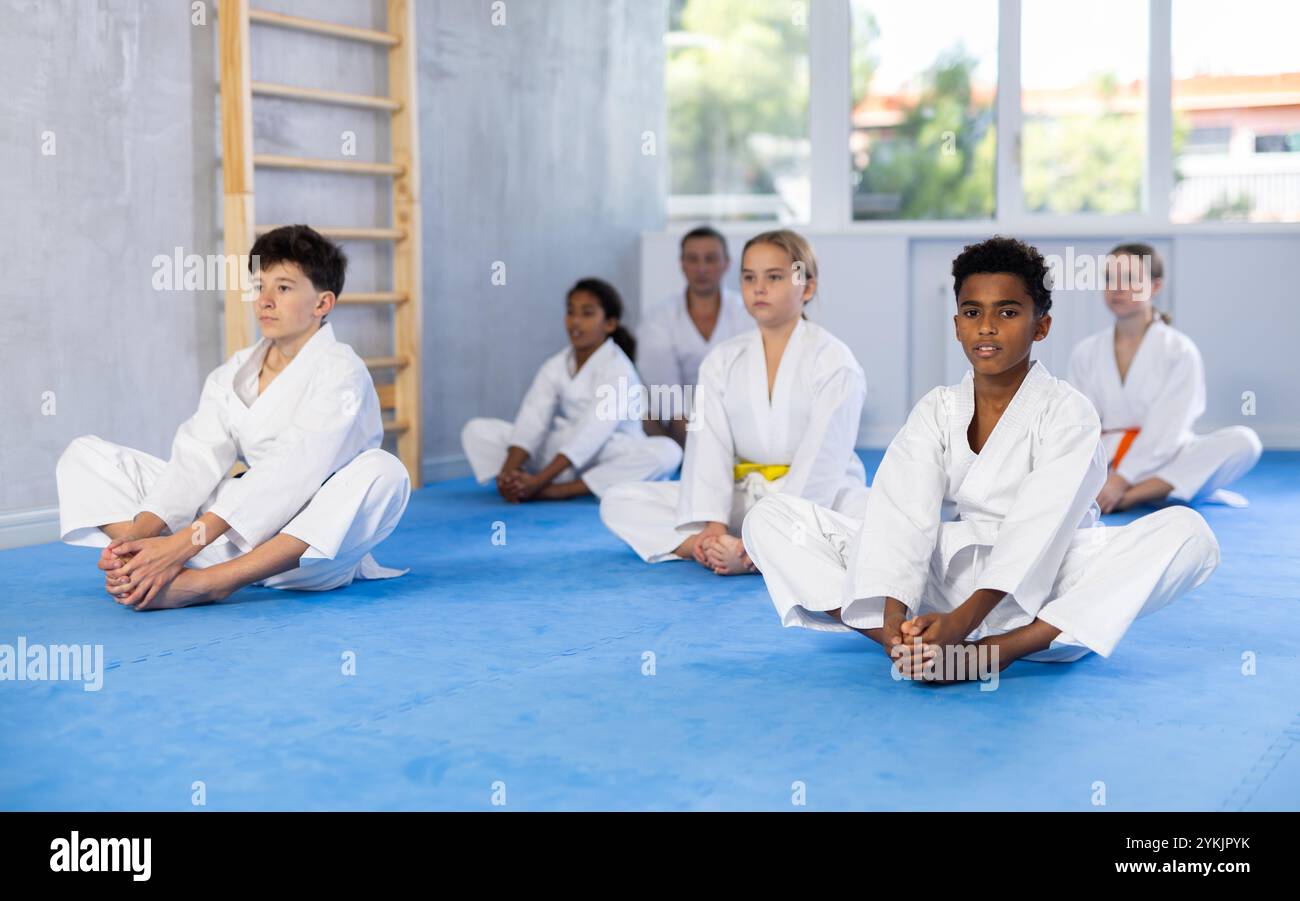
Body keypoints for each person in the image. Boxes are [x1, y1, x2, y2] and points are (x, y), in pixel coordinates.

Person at [743, 237, 1220, 681]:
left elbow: (1040, 525)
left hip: (1048, 590)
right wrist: (896, 622)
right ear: (957, 326)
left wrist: (964, 626)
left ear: (1041, 325)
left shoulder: (1067, 411)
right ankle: (900, 646)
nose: (987, 327)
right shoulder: (938, 408)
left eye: (1008, 312)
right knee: (770, 517)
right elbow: (900, 515)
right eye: (972, 312)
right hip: (947, 579)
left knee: (1188, 533)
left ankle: (996, 651)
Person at [56, 224, 411, 610]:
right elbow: (195, 459)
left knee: (385, 471)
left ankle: (208, 582)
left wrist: (184, 542)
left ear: (322, 304)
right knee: (84, 455)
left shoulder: (343, 373)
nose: (265, 301)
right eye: (259, 287)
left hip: (309, 549)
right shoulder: (235, 372)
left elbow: (291, 469)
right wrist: (141, 537)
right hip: (235, 534)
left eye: (284, 287)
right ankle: (146, 561)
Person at [601, 229, 868, 575]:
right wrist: (712, 523)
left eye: (774, 277)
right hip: (742, 495)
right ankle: (713, 548)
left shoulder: (834, 361)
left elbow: (824, 459)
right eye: (748, 277)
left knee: (876, 513)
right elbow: (707, 445)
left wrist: (770, 533)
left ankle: (753, 552)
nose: (759, 287)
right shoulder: (722, 359)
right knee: (619, 502)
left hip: (815, 499)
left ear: (808, 286)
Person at [1068, 242, 1261, 511]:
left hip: (1166, 457)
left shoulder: (1179, 351)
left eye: (1130, 279)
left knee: (1244, 441)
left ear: (1155, 286)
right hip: (1107, 459)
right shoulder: (1086, 352)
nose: (1118, 288)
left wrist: (1122, 482)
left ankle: (1129, 497)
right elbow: (1080, 425)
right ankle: (1130, 491)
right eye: (1111, 278)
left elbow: (1170, 428)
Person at [461, 278, 681, 502]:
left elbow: (591, 433)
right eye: (570, 312)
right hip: (561, 448)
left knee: (668, 452)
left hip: (609, 452)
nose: (575, 322)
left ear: (609, 324)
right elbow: (532, 420)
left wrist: (538, 483)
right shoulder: (555, 365)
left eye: (587, 314)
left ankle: (558, 490)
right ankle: (519, 481)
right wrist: (507, 474)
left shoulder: (619, 370)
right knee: (478, 430)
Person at [637, 225, 752, 446]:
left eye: (710, 259)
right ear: (682, 264)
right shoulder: (658, 318)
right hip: (675, 423)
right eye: (693, 259)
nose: (701, 268)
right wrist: (687, 431)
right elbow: (664, 388)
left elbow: (749, 378)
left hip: (733, 414)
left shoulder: (746, 313)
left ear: (726, 263)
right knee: (634, 406)